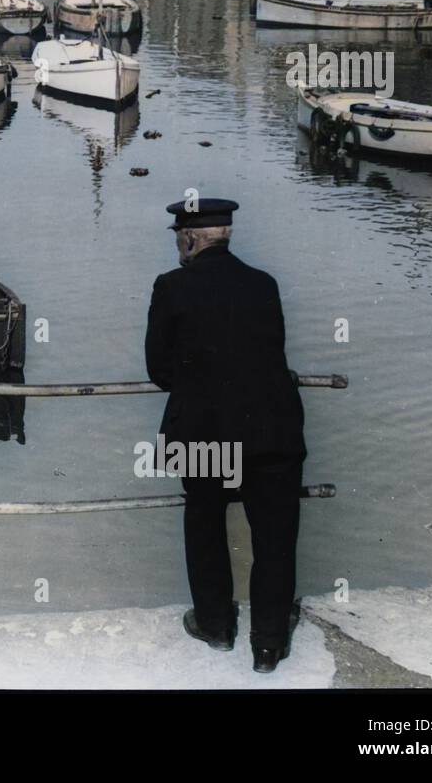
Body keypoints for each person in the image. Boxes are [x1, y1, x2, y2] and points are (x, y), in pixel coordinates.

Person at [145, 198, 306, 673]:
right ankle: (269, 645)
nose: (178, 243)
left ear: (192, 238)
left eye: (179, 236)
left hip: (205, 431)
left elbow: (158, 370)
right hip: (272, 428)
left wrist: (198, 379)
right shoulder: (264, 284)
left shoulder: (172, 287)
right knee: (275, 536)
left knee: (206, 523)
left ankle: (215, 625)